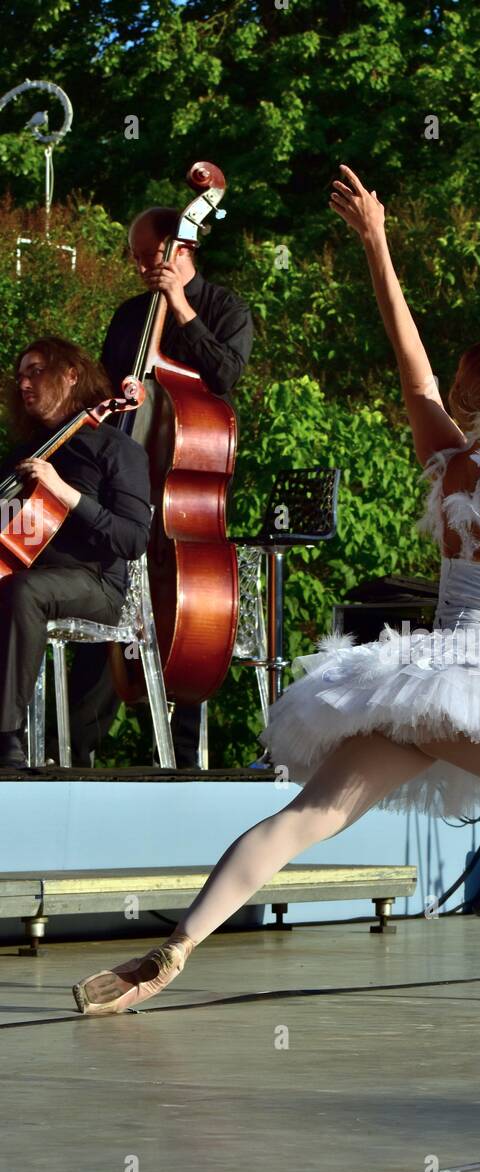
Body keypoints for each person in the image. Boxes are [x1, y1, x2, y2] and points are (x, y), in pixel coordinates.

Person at [72, 167, 480, 1016]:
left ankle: (179, 944)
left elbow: (415, 369)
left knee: (311, 816)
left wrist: (377, 245)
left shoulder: (453, 459)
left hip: (416, 681)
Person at [66, 206, 254, 769]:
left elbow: (224, 377)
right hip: (124, 486)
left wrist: (180, 306)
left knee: (183, 621)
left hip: (183, 495)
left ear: (181, 248)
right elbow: (101, 396)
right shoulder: (129, 316)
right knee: (103, 613)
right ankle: (77, 754)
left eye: (150, 255)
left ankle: (179, 757)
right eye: (137, 257)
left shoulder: (226, 308)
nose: (142, 266)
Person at [0, 337, 151, 770]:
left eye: (36, 371)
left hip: (97, 583)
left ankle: (6, 738)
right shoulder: (23, 455)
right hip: (31, 576)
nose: (24, 382)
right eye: (21, 374)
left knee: (23, 590)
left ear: (71, 375)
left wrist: (65, 494)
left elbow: (133, 539)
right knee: (21, 589)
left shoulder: (115, 450)